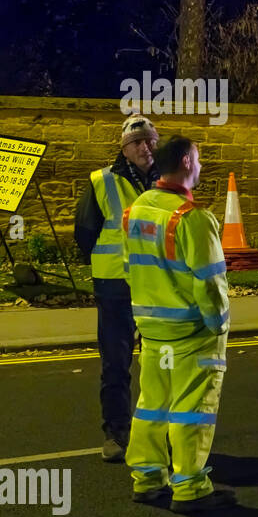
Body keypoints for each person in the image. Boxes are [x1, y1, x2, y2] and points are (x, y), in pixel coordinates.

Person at [121, 135, 236, 513]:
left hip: (153, 330)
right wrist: (217, 325)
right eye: (199, 160)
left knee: (152, 405)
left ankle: (148, 478)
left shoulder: (136, 210)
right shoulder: (193, 219)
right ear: (187, 162)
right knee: (191, 409)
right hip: (191, 334)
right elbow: (209, 281)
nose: (200, 167)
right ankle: (189, 487)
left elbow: (131, 267)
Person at [73, 115, 160, 463]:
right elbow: (84, 232)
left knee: (159, 365)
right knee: (116, 363)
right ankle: (116, 434)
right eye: (137, 142)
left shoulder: (169, 179)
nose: (145, 147)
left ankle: (157, 434)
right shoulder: (102, 181)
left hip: (158, 285)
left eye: (150, 140)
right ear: (124, 149)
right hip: (115, 286)